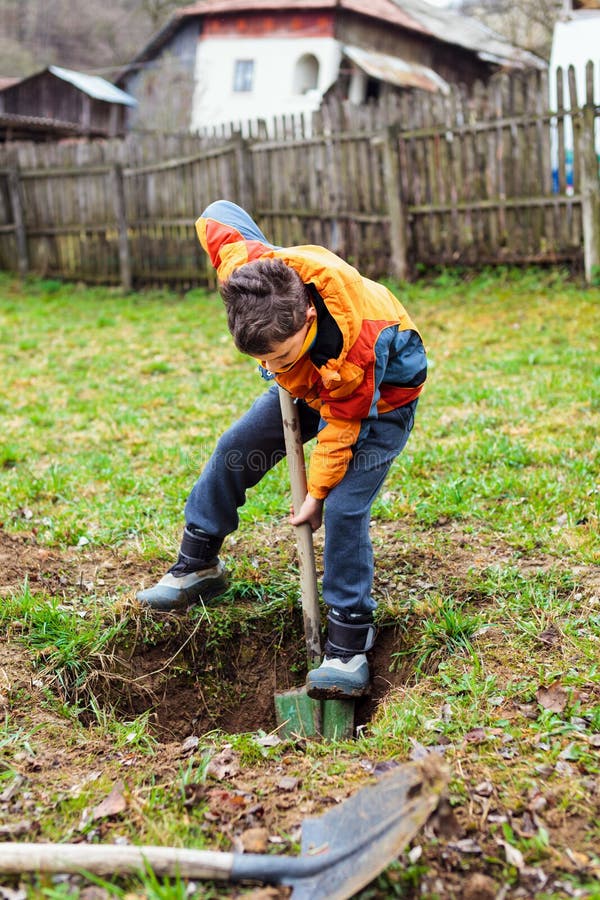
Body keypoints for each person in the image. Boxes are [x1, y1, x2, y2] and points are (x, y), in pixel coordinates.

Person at [137, 200, 427, 699]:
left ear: (309, 315)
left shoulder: (355, 343)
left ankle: (349, 642)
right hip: (309, 385)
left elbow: (343, 424)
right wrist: (285, 368)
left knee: (343, 506)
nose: (271, 364)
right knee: (235, 448)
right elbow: (219, 218)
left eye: (281, 354)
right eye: (262, 359)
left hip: (376, 400)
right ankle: (199, 562)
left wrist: (315, 495)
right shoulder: (251, 278)